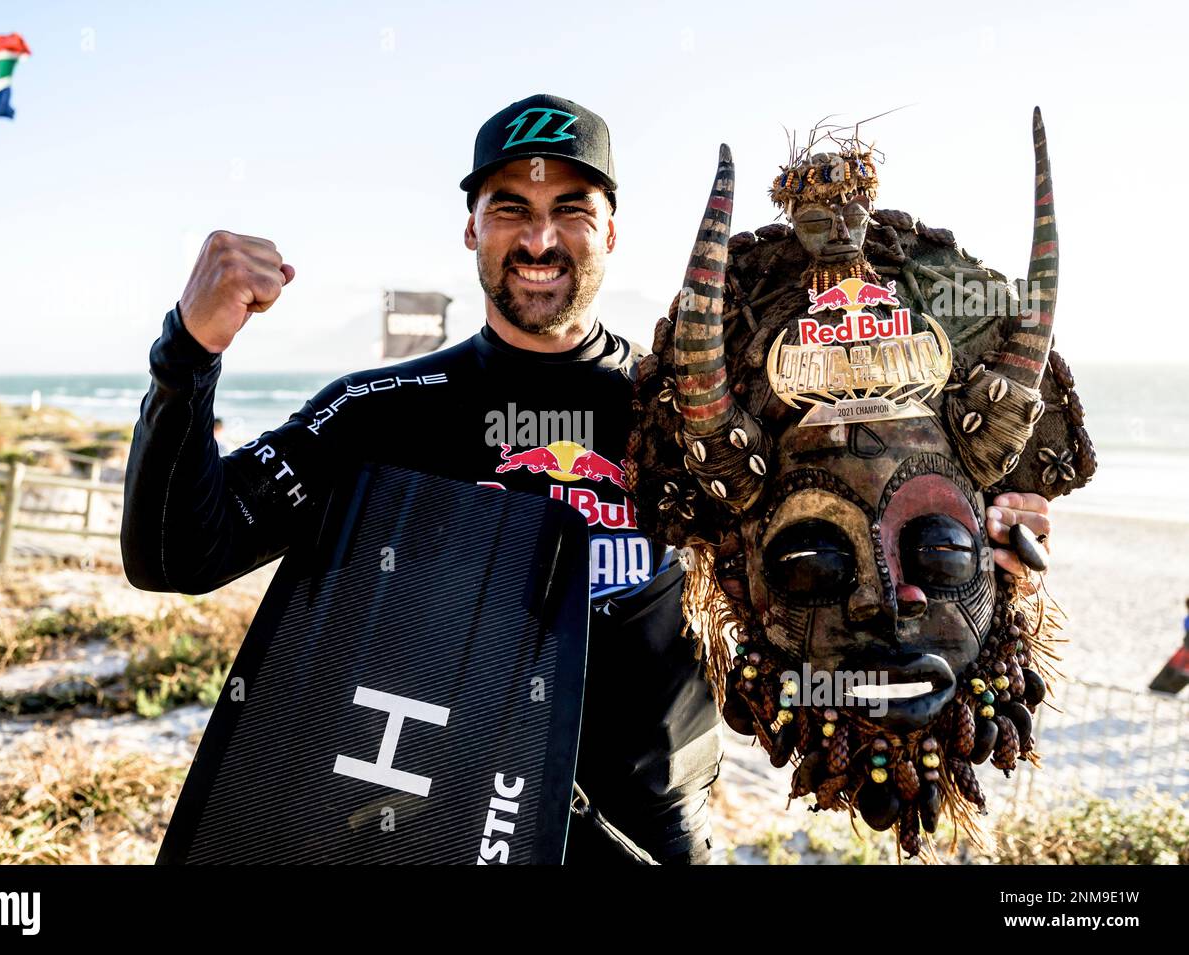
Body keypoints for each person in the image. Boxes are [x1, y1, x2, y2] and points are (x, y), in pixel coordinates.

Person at [122, 93, 1047, 864]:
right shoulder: (384, 411)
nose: (539, 238)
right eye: (511, 210)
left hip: (654, 836)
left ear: (611, 228)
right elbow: (176, 551)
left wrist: (972, 545)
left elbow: (842, 562)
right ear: (472, 228)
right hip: (430, 823)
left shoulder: (696, 422)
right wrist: (189, 350)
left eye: (571, 207)